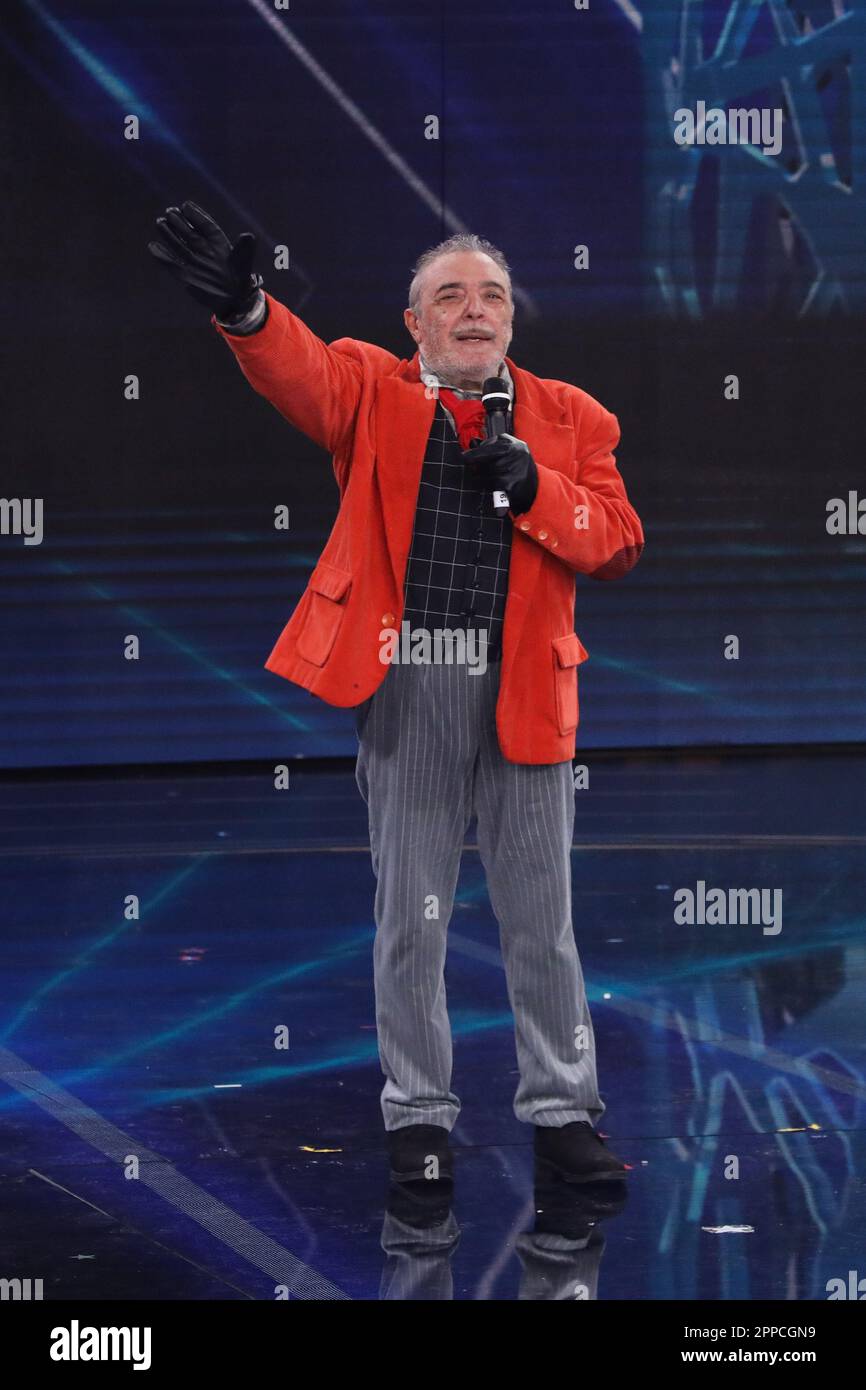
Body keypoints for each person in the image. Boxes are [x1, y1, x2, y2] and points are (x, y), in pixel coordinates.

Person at [148, 201, 644, 1187]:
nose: (474, 308)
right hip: (410, 677)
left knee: (540, 924)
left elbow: (616, 538)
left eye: (491, 295)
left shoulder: (570, 418)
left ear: (510, 320)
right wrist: (248, 310)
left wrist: (537, 486)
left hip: (524, 693)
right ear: (412, 322)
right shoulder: (372, 389)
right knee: (411, 919)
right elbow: (299, 371)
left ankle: (561, 1113)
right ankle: (417, 1118)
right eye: (448, 295)